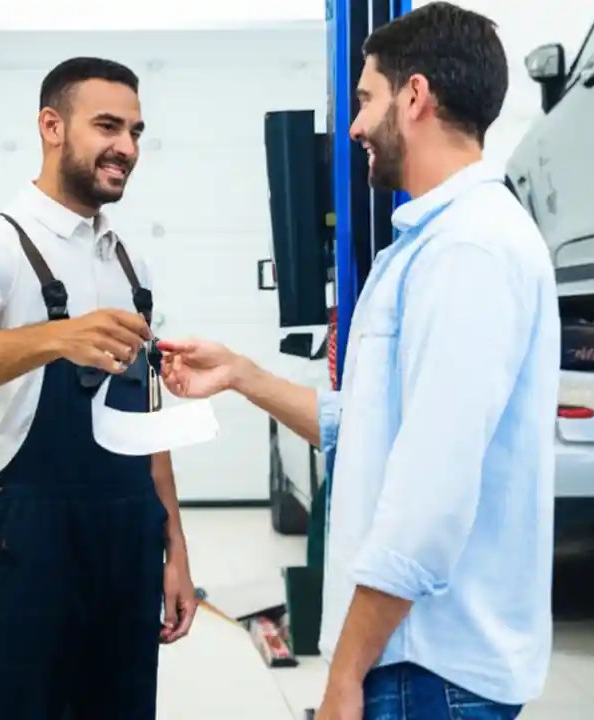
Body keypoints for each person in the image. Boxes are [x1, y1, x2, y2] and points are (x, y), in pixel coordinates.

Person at [158, 4, 560, 719]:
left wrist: (345, 673)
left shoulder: (467, 251)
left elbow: (430, 496)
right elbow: (369, 426)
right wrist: (242, 374)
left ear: (415, 96)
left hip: (426, 667)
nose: (353, 127)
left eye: (366, 99)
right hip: (415, 662)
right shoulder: (434, 243)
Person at [0, 56, 197, 720]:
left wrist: (175, 549)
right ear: (52, 126)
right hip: (26, 546)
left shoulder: (130, 264)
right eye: (107, 126)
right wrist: (57, 337)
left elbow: (146, 421)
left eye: (135, 131)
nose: (126, 147)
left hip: (127, 544)